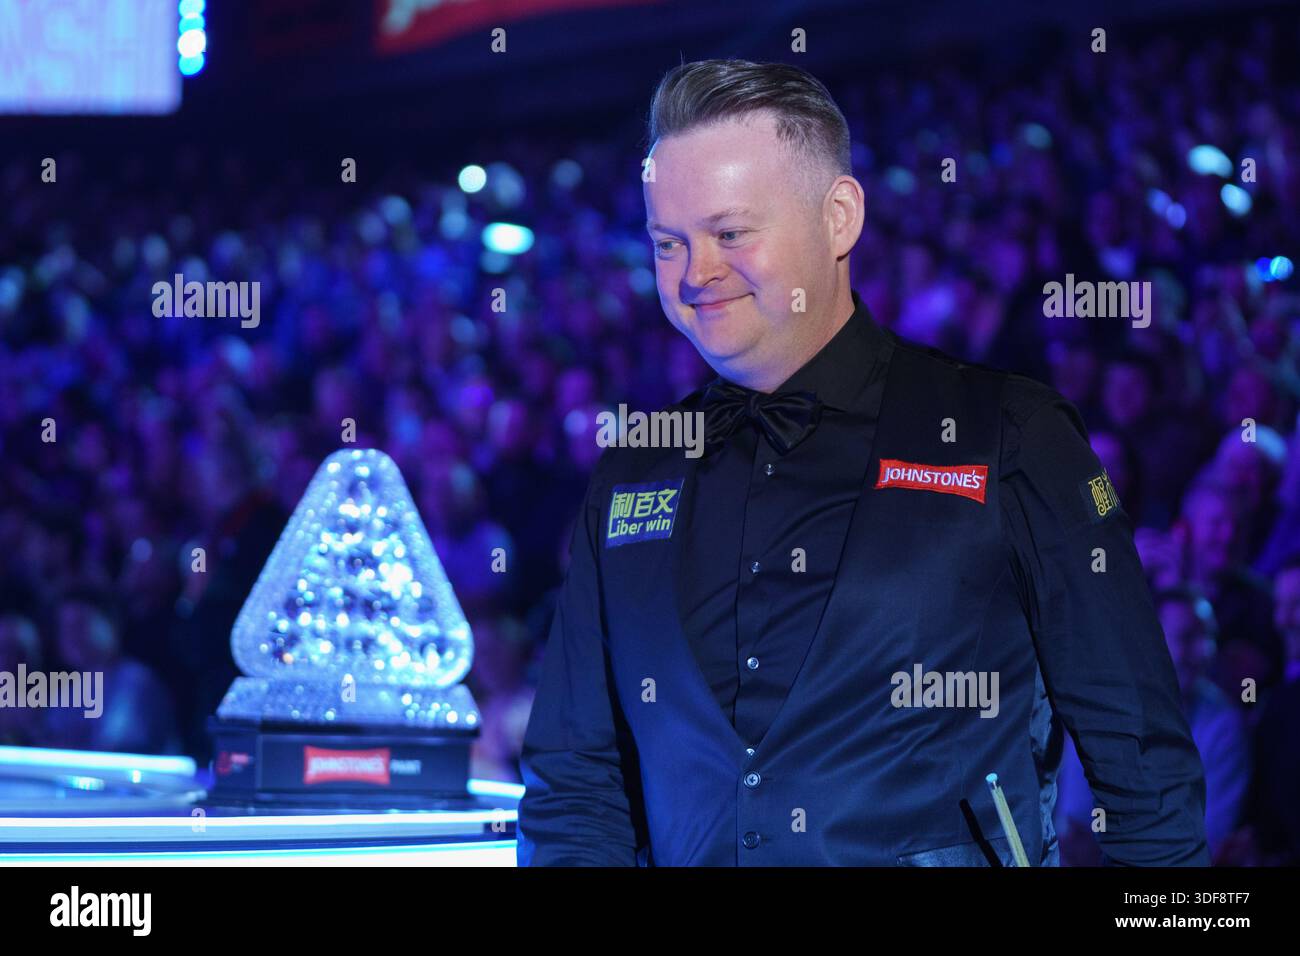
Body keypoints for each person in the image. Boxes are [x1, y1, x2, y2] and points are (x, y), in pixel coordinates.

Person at [516, 58, 1208, 866]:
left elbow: (1143, 771)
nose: (695, 273)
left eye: (730, 232)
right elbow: (575, 784)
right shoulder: (636, 468)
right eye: (669, 242)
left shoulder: (1008, 433)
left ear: (839, 217)